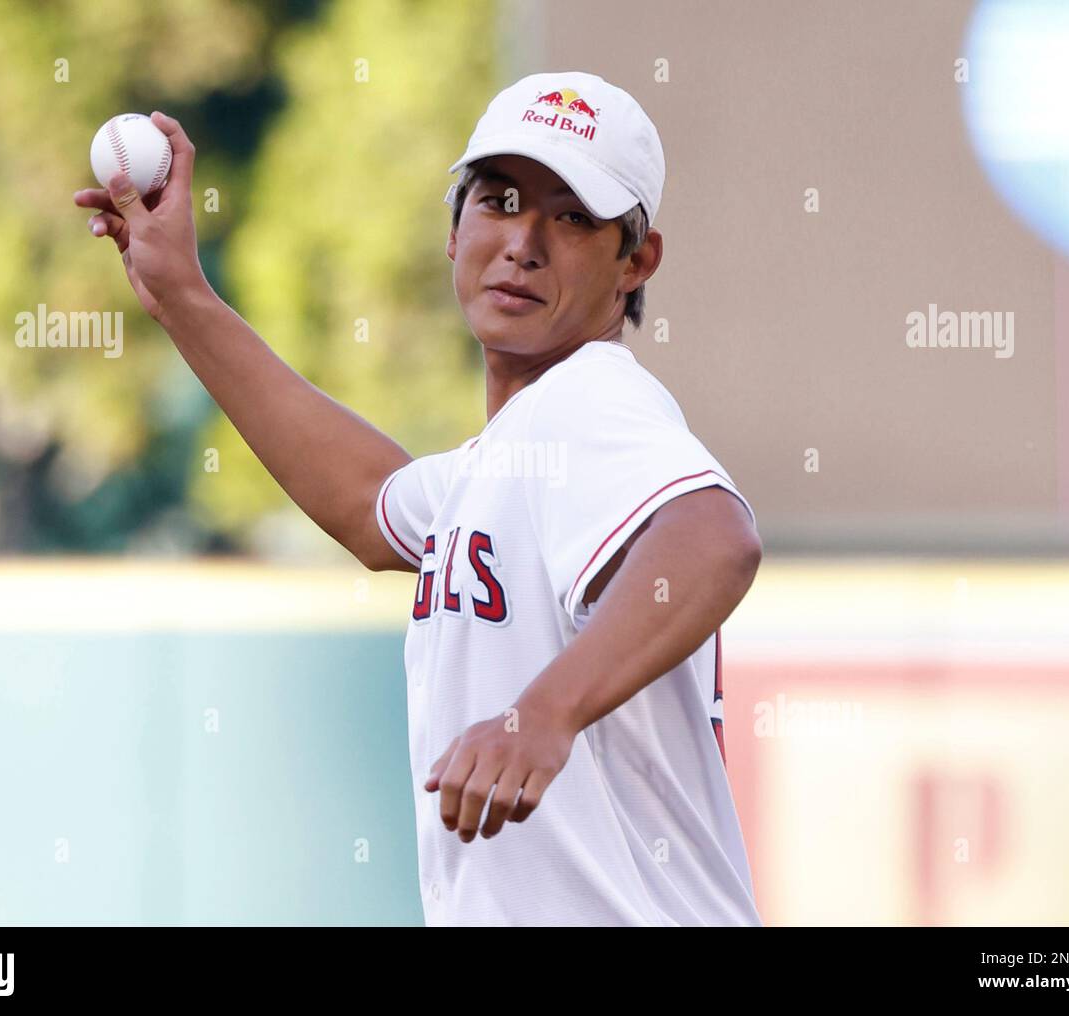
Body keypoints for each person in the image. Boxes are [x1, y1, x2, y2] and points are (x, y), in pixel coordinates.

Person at [74, 69, 763, 927]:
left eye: (574, 216)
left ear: (637, 261)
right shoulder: (503, 460)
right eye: (500, 200)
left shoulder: (589, 399)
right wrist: (183, 295)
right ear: (453, 228)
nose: (525, 241)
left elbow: (714, 537)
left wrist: (543, 713)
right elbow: (372, 503)